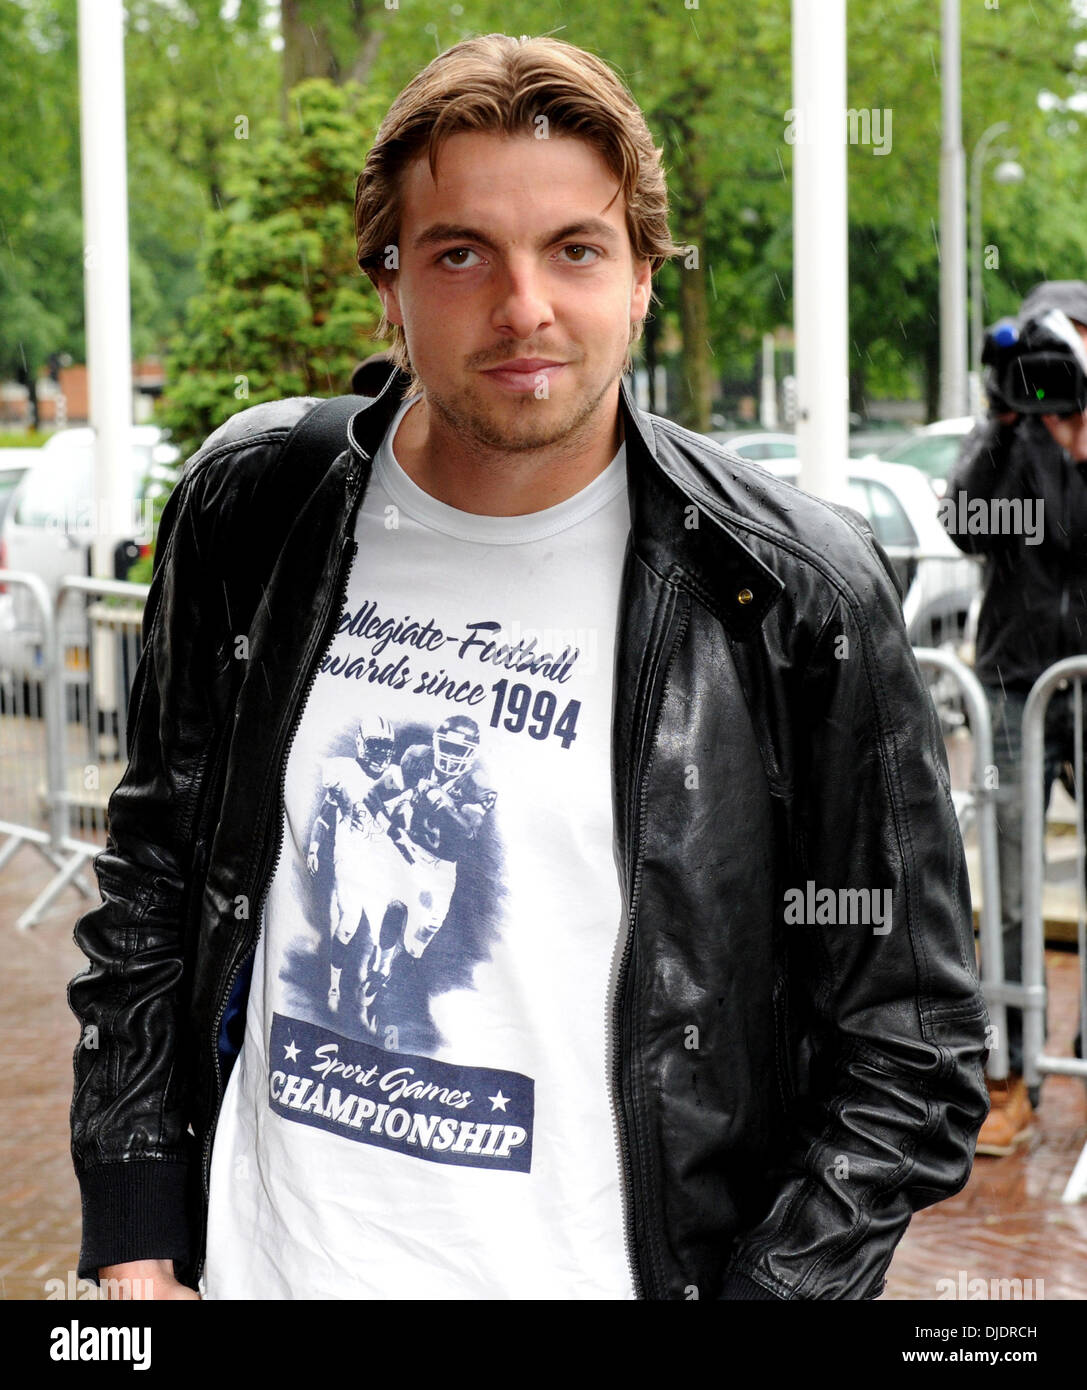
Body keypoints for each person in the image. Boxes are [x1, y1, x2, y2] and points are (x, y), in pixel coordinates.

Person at [69, 33, 989, 1301]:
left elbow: (914, 1053)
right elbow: (160, 871)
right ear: (389, 284)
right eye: (460, 253)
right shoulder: (257, 502)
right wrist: (134, 1229)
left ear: (643, 279)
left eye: (575, 248)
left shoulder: (793, 593)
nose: (524, 308)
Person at [942, 280, 1087, 1156]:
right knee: (1005, 886)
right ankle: (1007, 1071)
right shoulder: (1012, 418)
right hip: (1011, 682)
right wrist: (1001, 422)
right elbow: (962, 523)